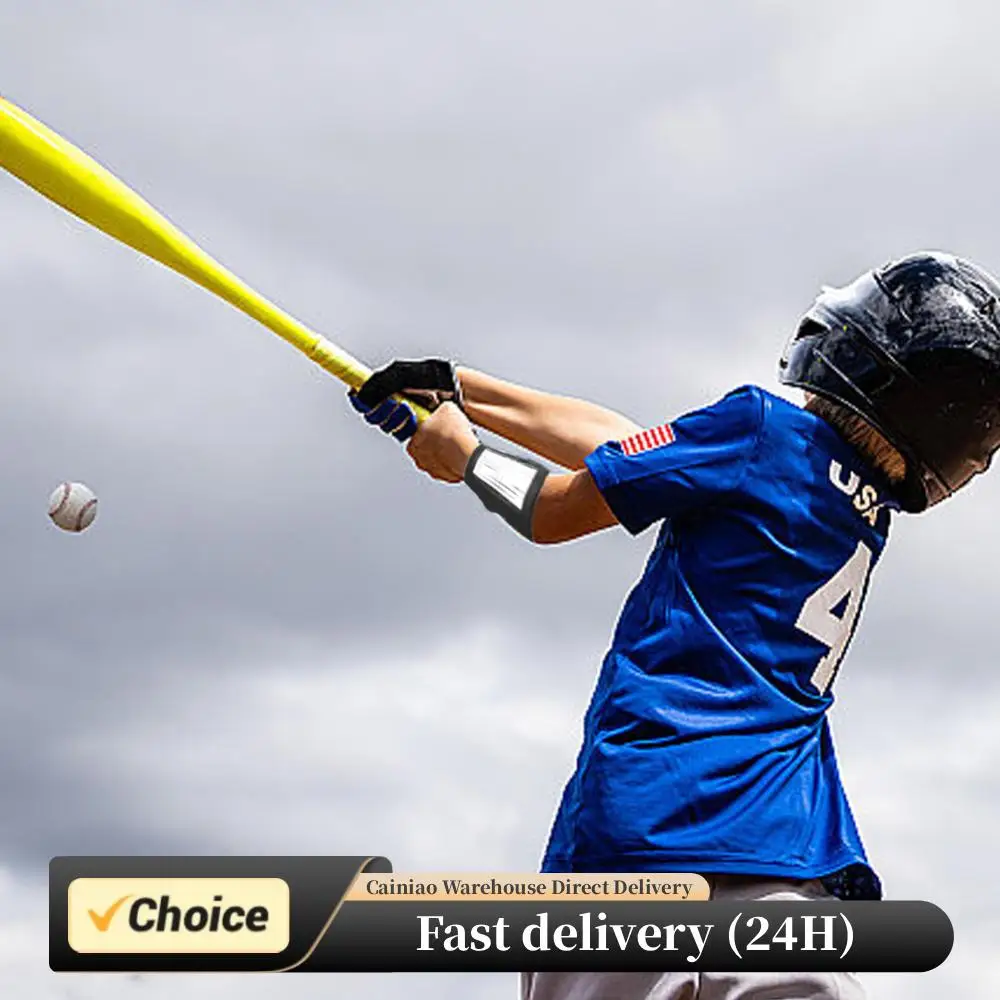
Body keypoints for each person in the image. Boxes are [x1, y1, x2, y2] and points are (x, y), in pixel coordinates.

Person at [349, 251, 1000, 1000]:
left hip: (644, 834)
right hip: (783, 861)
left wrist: (465, 456)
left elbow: (551, 511)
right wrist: (463, 387)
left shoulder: (757, 429)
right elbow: (627, 448)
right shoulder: (853, 502)